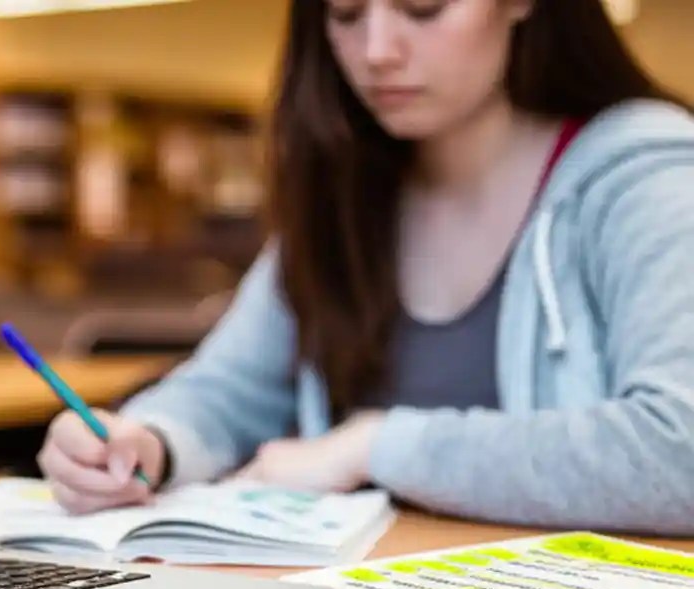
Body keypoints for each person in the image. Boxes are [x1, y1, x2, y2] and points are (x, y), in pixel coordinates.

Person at [37, 0, 694, 534]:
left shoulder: (645, 176)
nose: (378, 49)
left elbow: (680, 449)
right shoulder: (345, 196)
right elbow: (229, 391)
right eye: (346, 14)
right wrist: (146, 441)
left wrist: (375, 447)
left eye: (423, 8)